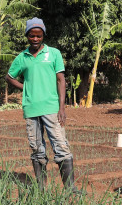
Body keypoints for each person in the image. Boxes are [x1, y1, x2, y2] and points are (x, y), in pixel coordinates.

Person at [6, 18, 78, 191]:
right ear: (27, 36)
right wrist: (26, 88)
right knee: (36, 149)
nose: (35, 39)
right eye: (32, 36)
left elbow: (61, 80)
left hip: (51, 108)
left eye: (39, 36)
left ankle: (70, 189)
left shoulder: (54, 53)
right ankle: (41, 189)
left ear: (43, 35)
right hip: (31, 109)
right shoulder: (22, 57)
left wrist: (62, 107)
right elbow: (9, 77)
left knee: (61, 146)